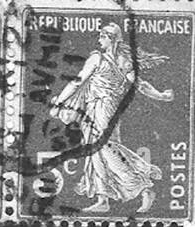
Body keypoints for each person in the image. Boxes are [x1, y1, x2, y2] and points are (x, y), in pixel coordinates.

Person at [50, 23, 174, 214]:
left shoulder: (98, 59)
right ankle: (103, 199)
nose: (99, 38)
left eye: (103, 35)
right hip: (97, 108)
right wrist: (160, 95)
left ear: (112, 38)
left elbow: (78, 82)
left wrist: (59, 102)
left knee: (104, 147)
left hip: (103, 108)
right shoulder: (120, 59)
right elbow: (139, 84)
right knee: (95, 151)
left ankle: (143, 183)